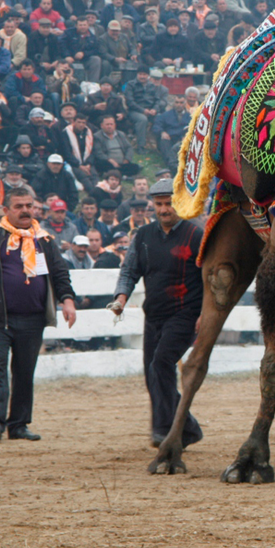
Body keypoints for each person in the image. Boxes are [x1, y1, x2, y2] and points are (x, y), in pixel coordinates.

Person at [0, 186, 77, 442]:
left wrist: (67, 300)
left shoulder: (44, 240)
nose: (25, 210)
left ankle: (19, 425)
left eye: (29, 206)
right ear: (6, 210)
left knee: (24, 372)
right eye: (18, 206)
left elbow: (59, 273)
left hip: (33, 319)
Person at [110, 179, 204, 448]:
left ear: (181, 203)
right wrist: (121, 298)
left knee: (160, 365)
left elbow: (209, 278)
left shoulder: (195, 235)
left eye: (169, 203)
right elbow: (130, 270)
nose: (164, 209)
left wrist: (204, 314)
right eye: (160, 204)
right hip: (154, 315)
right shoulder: (143, 235)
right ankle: (189, 427)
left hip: (185, 313)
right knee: (152, 375)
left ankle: (163, 430)